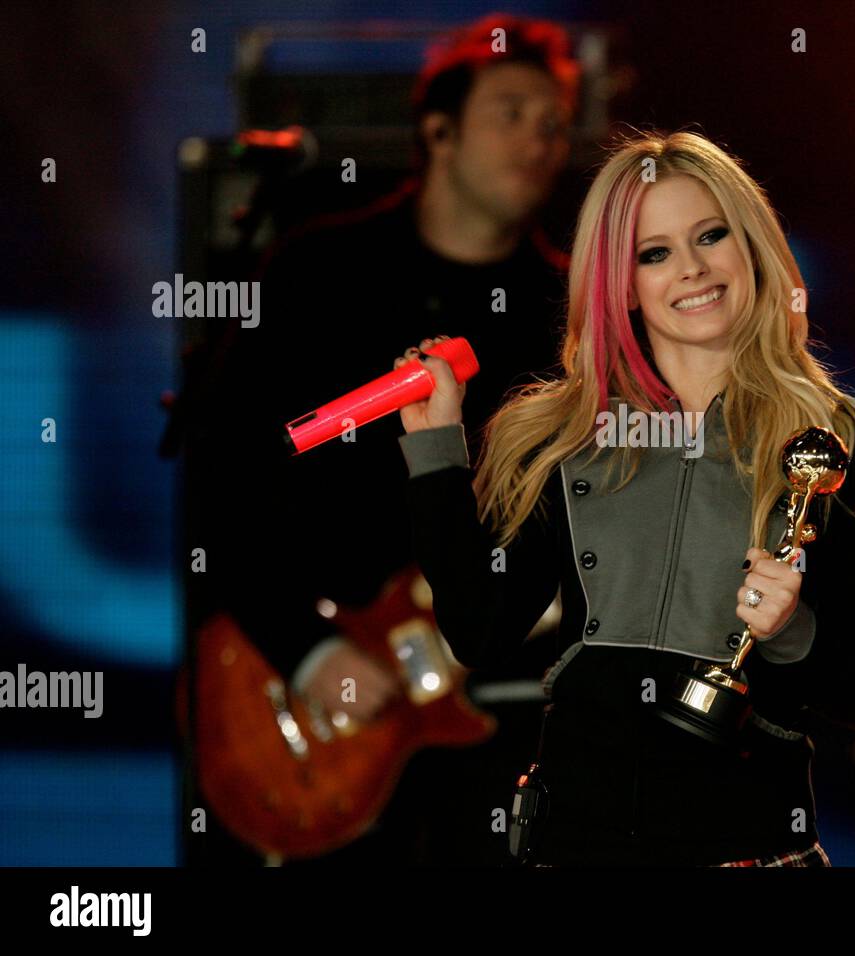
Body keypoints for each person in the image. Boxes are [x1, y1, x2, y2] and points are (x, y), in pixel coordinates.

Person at [392, 130, 855, 866]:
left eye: (710, 235)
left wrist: (792, 630)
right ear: (619, 282)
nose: (692, 269)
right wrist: (435, 443)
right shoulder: (567, 436)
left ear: (750, 243)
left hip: (749, 848)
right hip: (572, 845)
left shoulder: (833, 441)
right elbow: (479, 631)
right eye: (654, 252)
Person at [187, 14, 581, 865]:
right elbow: (221, 476)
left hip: (494, 725)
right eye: (512, 111)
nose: (538, 141)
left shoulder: (570, 318)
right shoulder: (317, 273)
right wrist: (307, 647)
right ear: (438, 128)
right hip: (304, 688)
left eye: (553, 123)